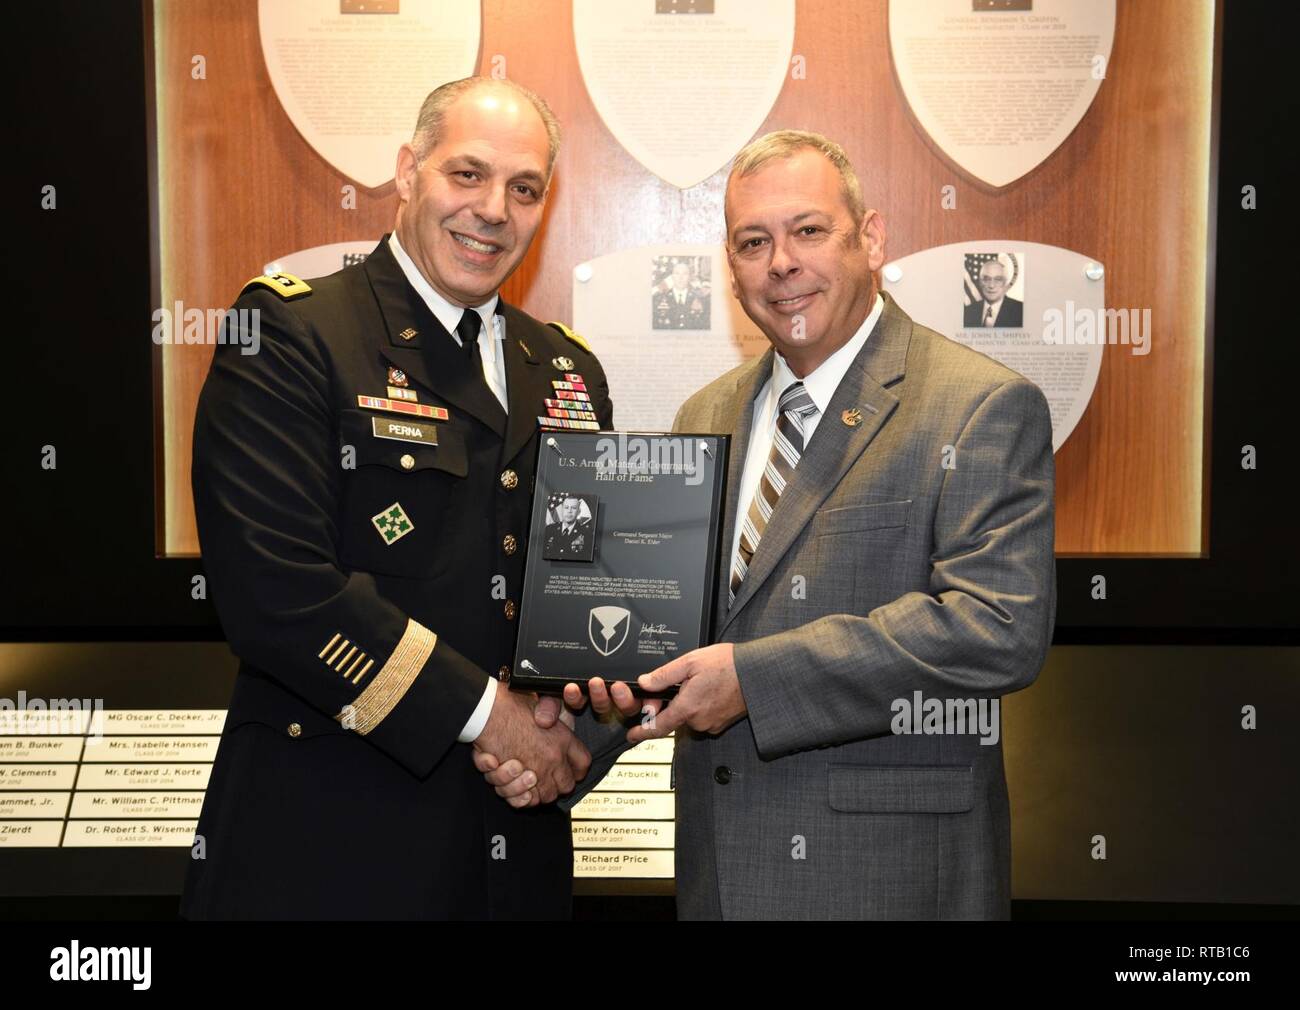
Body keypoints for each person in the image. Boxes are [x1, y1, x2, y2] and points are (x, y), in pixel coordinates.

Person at [479, 130, 1056, 919]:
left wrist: (753, 681)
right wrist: (562, 737)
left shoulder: (978, 405)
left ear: (872, 237)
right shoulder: (705, 414)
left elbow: (997, 628)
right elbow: (665, 639)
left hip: (892, 878)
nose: (781, 262)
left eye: (808, 230)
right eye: (754, 241)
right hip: (721, 870)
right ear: (732, 267)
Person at [181, 77, 622, 920]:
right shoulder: (294, 332)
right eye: (467, 174)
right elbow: (278, 593)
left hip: (514, 846)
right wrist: (491, 715)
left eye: (524, 188)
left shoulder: (568, 371)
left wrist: (574, 729)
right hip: (333, 844)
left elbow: (589, 594)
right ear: (407, 172)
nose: (493, 209)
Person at [964, 256, 1023, 327]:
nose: (991, 285)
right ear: (979, 282)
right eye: (986, 279)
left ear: (1005, 282)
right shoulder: (967, 312)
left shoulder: (1021, 311)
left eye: (998, 279)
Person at [654, 260, 711, 329]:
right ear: (672, 277)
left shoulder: (701, 299)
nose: (680, 277)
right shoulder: (658, 299)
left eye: (685, 274)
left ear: (690, 277)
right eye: (677, 273)